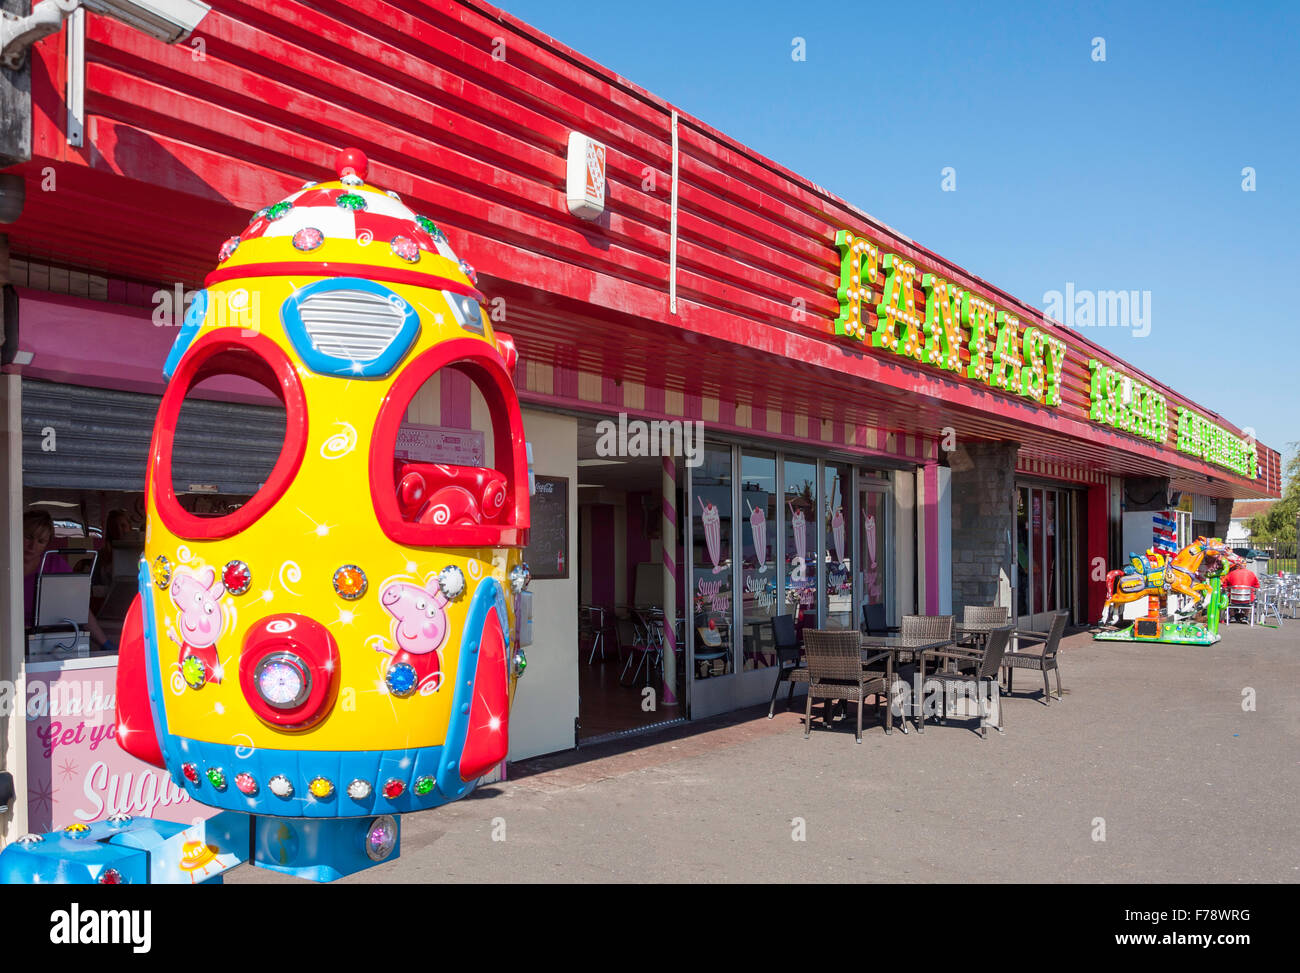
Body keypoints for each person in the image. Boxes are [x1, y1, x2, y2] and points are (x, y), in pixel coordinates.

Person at [22, 509, 113, 651]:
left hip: (45, 641)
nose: (32, 546)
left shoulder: (54, 564)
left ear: (47, 544)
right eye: (28, 537)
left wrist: (105, 643)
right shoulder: (5, 565)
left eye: (41, 541)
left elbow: (78, 606)